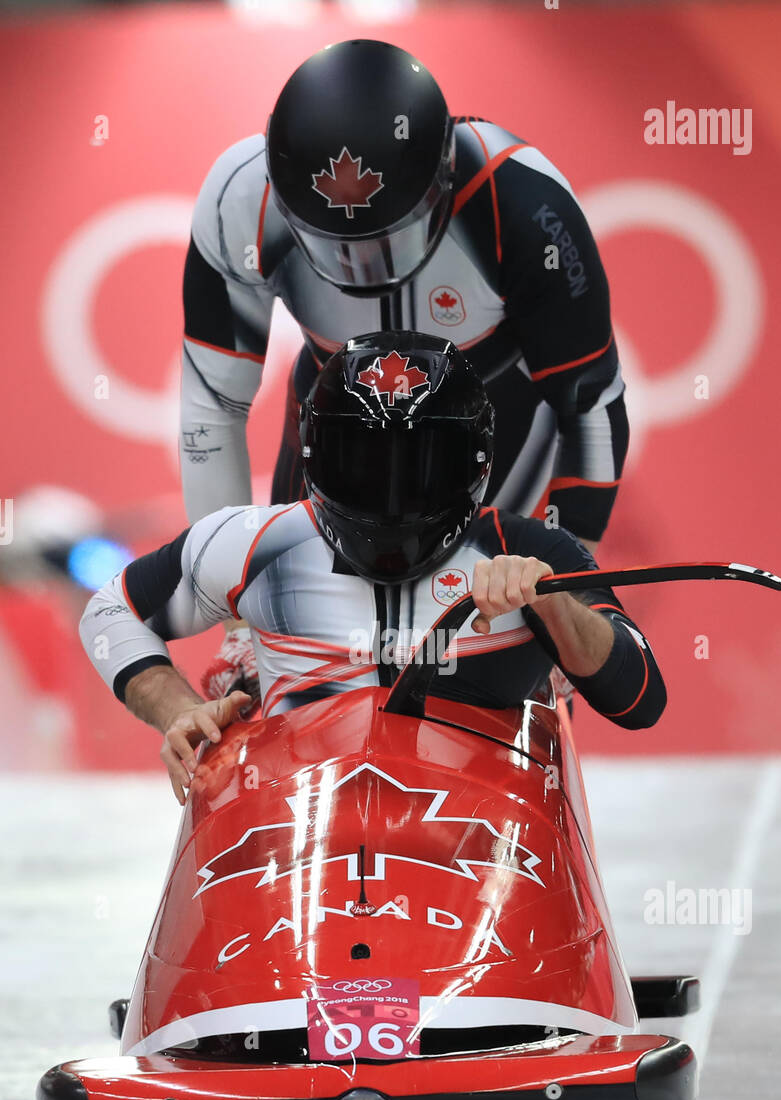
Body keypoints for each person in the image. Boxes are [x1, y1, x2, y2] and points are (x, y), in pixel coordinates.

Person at [181, 39, 629, 698]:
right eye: (330, 247)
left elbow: (587, 405)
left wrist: (563, 598)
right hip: (336, 426)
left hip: (493, 426)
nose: (361, 271)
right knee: (288, 660)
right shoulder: (237, 202)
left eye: (388, 239)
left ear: (445, 183)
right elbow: (214, 407)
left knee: (478, 661)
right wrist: (237, 620)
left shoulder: (524, 204)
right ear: (281, 202)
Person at [85, 334, 662, 803]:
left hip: (483, 839)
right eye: (362, 462)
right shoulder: (256, 543)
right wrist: (181, 714)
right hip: (295, 838)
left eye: (420, 467)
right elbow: (112, 610)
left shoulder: (538, 552)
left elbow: (639, 698)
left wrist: (549, 602)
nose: (391, 498)